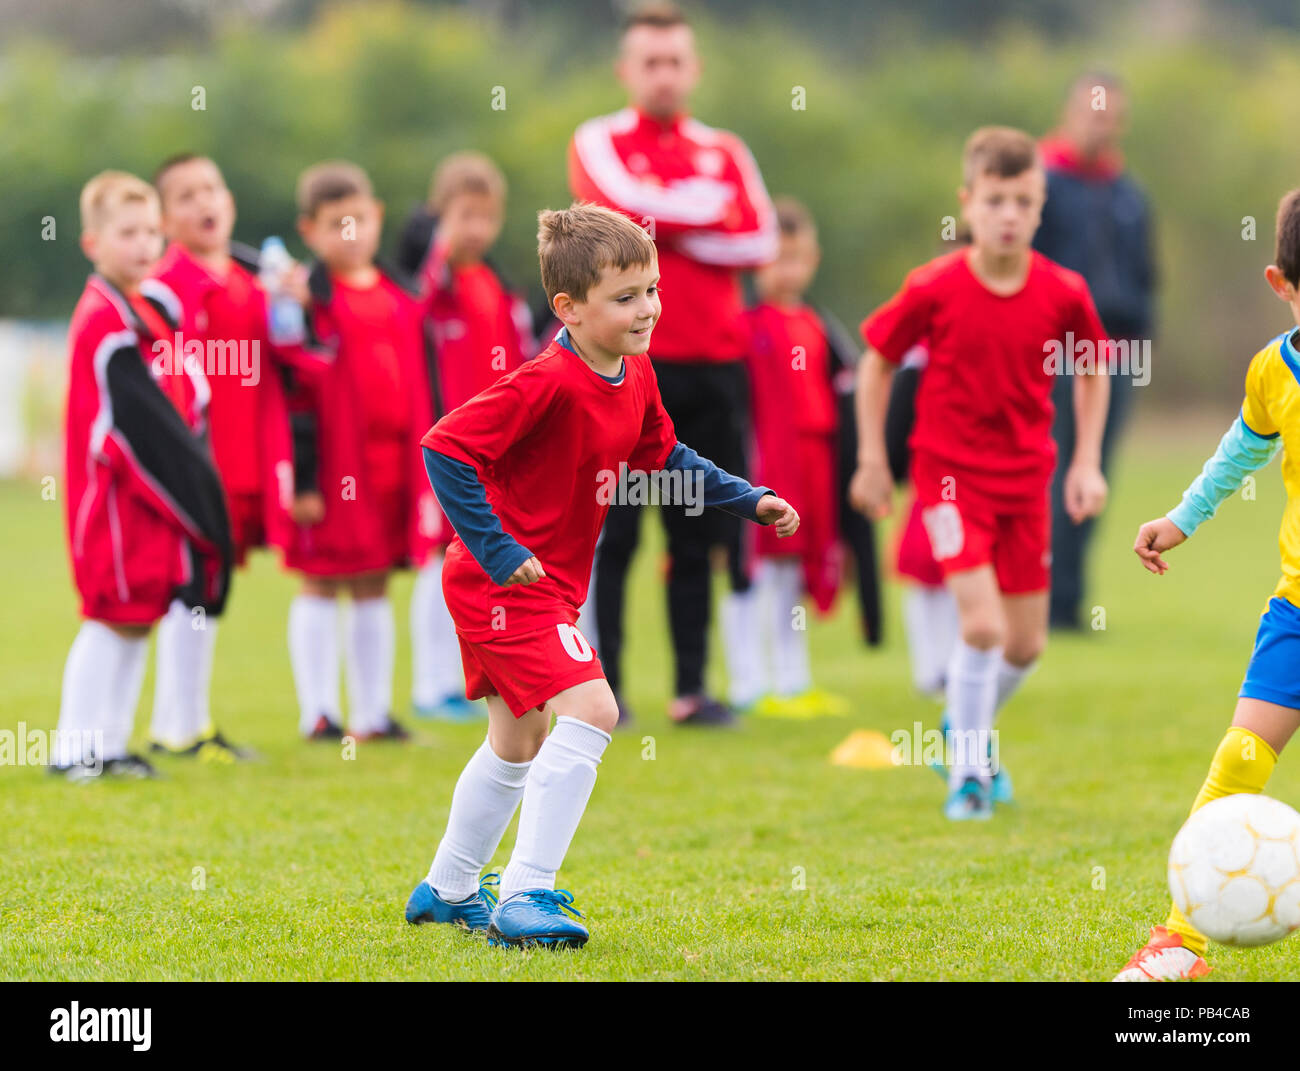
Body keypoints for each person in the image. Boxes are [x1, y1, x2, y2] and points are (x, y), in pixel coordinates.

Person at [404, 203, 798, 948]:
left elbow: (667, 457)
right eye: (626, 297)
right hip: (504, 587)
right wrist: (495, 548)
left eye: (650, 289)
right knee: (594, 708)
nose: (647, 308)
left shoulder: (635, 371)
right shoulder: (544, 381)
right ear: (569, 309)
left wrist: (750, 498)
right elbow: (445, 448)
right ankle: (526, 893)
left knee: (516, 743)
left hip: (533, 586)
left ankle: (449, 887)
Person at [851, 127, 1110, 820]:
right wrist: (874, 458)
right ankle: (969, 774)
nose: (1008, 215)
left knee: (1026, 643)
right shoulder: (934, 287)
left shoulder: (1063, 292)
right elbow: (876, 361)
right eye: (994, 200)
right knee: (985, 626)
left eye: (1023, 202)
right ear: (967, 203)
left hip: (1027, 481)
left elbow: (1093, 367)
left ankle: (961, 730)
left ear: (1039, 207)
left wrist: (1086, 460)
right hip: (946, 480)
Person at [568, 0, 777, 727]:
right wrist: (700, 210)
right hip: (623, 366)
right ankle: (606, 690)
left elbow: (759, 243)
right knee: (614, 532)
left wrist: (668, 219)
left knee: (699, 530)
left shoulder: (727, 149)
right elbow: (620, 212)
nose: (663, 75)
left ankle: (692, 688)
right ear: (626, 69)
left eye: (675, 61)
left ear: (696, 68)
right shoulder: (598, 140)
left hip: (714, 365)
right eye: (649, 62)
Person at [1115, 189, 1300, 981]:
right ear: (1281, 283)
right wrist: (1183, 517)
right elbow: (1241, 449)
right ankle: (1178, 943)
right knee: (1239, 758)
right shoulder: (1275, 368)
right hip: (1299, 606)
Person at [54, 170, 232, 780]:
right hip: (112, 498)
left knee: (139, 616)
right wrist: (189, 493)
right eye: (126, 233)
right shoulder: (104, 319)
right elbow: (127, 429)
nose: (142, 245)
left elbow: (187, 394)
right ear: (92, 243)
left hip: (148, 503)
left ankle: (108, 744)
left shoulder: (150, 309)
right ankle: (71, 749)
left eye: (151, 232)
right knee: (109, 615)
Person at [147, 153, 318, 761]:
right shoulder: (166, 289)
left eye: (212, 188)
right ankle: (179, 727)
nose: (204, 203)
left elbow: (296, 363)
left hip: (249, 465)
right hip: (198, 465)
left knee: (212, 589)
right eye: (187, 195)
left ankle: (187, 722)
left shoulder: (257, 281)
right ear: (165, 220)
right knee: (189, 586)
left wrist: (301, 306)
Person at [284, 160, 436, 742]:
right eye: (335, 223)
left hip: (393, 463)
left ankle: (373, 714)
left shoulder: (404, 295)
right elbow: (296, 391)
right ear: (311, 231)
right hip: (332, 467)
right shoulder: (305, 300)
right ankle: (319, 712)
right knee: (322, 577)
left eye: (359, 220)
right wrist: (302, 479)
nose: (350, 234)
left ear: (377, 218)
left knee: (376, 579)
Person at [396, 151, 535, 721]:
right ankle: (430, 687)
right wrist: (435, 247)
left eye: (485, 215)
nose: (475, 227)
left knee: (479, 561)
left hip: (493, 453)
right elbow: (413, 310)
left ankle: (474, 677)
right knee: (438, 560)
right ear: (440, 217)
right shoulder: (436, 286)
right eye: (463, 215)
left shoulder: (499, 289)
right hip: (442, 447)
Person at [1033, 71, 1156, 630]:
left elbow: (1146, 277)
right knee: (1055, 468)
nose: (1098, 123)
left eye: (1109, 115)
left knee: (1094, 470)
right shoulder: (1041, 183)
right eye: (1091, 112)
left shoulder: (1129, 195)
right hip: (1054, 350)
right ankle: (1043, 596)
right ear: (1069, 111)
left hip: (1118, 354)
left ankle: (1070, 600)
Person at [722, 197, 846, 718]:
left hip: (810, 462)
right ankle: (747, 680)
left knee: (794, 570)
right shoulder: (745, 326)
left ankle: (792, 678)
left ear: (812, 259)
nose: (787, 269)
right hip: (762, 466)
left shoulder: (818, 328)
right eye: (777, 256)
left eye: (796, 256)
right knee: (750, 571)